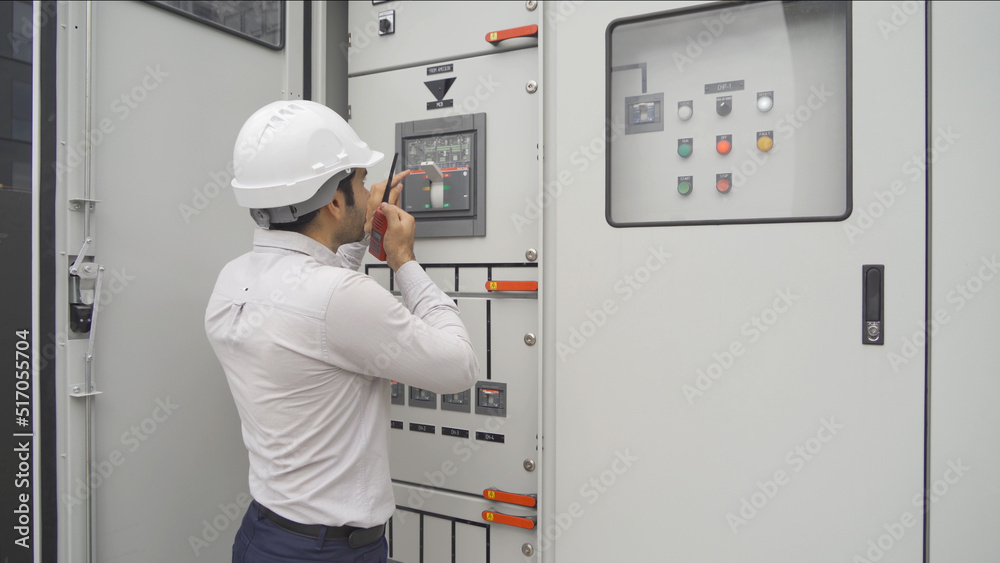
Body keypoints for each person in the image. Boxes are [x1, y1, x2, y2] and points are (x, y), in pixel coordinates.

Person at [205, 100, 479, 562]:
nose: (369, 188)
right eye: (357, 181)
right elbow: (459, 366)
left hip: (262, 538)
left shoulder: (232, 279)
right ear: (334, 201)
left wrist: (352, 234)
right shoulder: (338, 298)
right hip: (329, 552)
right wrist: (403, 260)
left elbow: (323, 313)